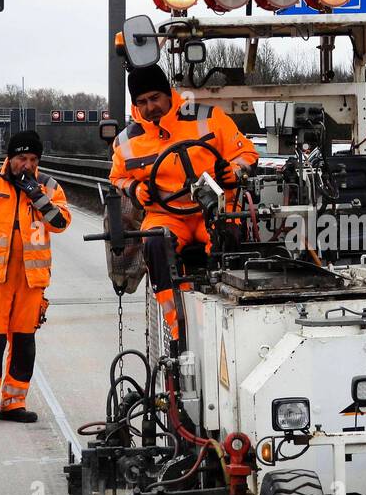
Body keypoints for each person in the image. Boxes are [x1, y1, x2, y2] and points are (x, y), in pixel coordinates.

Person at [108, 65, 257, 345]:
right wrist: (137, 189)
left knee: (227, 237)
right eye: (142, 102)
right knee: (154, 242)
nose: (150, 107)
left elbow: (247, 153)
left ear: (167, 94)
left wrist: (234, 172)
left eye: (155, 98)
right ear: (135, 104)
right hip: (166, 216)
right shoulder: (126, 141)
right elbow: (117, 177)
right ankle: (182, 331)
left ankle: (226, 322)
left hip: (213, 209)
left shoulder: (210, 118)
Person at [0, 130, 71, 426]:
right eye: (22, 158)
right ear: (10, 157)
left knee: (23, 345)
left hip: (32, 281)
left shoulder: (48, 186)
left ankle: (13, 403)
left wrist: (37, 195)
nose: (28, 164)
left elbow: (60, 223)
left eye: (33, 159)